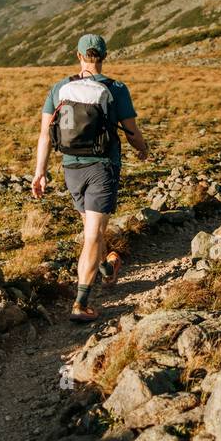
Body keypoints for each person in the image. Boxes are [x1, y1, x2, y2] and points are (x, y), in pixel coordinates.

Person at [31, 33, 149, 321]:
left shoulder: (60, 88)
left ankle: (107, 266)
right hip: (102, 167)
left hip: (71, 168)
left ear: (78, 55)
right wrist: (144, 149)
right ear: (105, 56)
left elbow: (46, 135)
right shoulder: (116, 89)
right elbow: (131, 131)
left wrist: (40, 172)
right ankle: (81, 304)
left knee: (92, 227)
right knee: (93, 233)